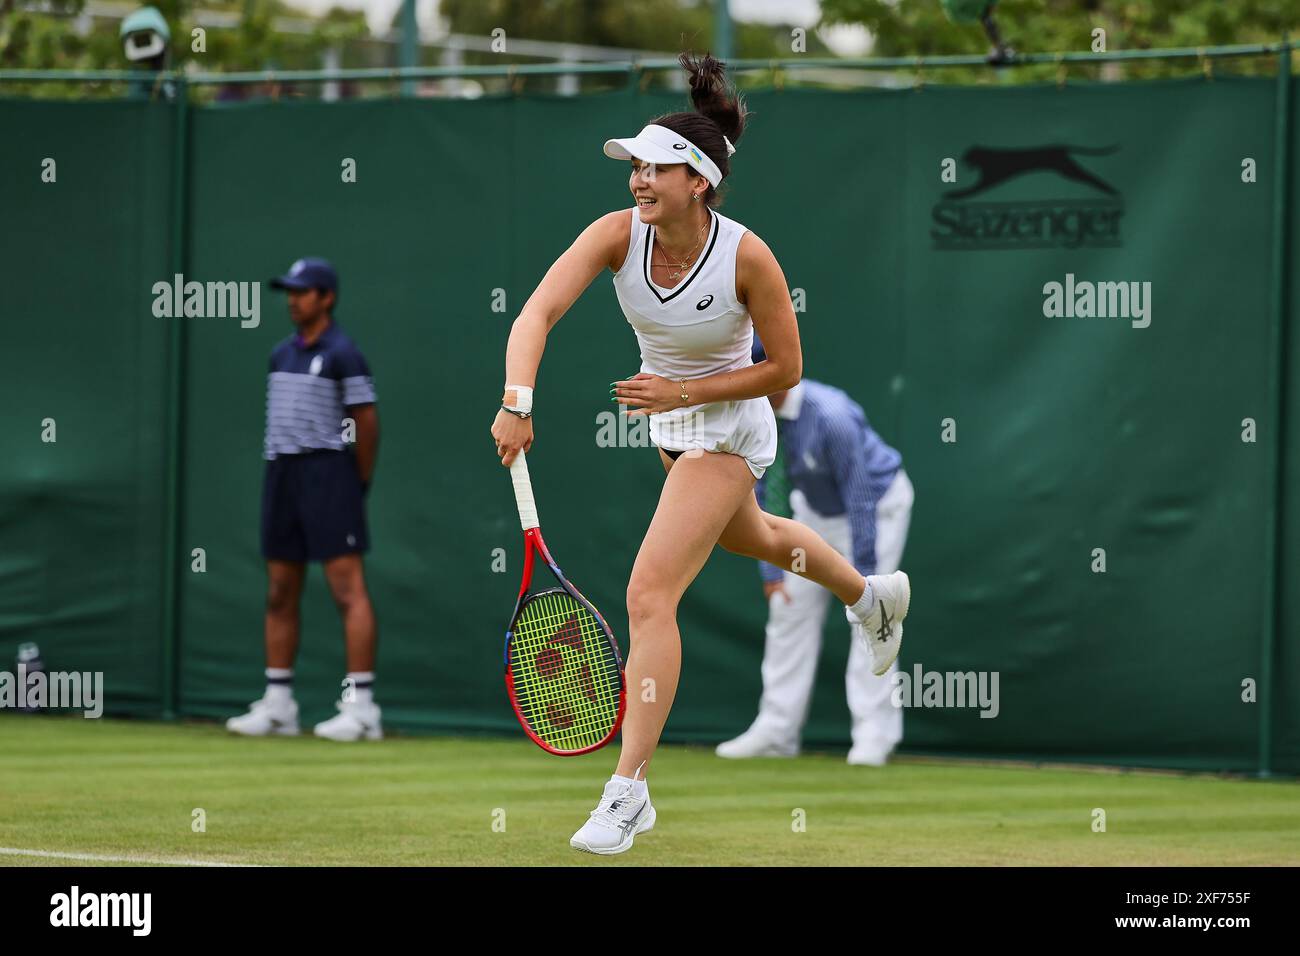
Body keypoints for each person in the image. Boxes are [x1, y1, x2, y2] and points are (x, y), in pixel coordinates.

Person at [490, 52, 912, 856]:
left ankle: (628, 792)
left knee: (649, 595)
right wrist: (518, 402)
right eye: (636, 168)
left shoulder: (747, 256)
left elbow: (786, 370)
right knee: (756, 536)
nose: (639, 181)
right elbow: (536, 314)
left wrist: (684, 393)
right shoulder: (616, 237)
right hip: (672, 431)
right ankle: (870, 597)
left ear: (700, 181)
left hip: (729, 427)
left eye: (657, 168)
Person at [716, 338, 913, 766]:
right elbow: (763, 491)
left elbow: (860, 497)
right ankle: (777, 730)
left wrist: (866, 581)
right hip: (812, 511)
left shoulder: (831, 416)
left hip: (877, 507)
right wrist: (772, 574)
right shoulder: (755, 416)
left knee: (869, 614)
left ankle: (873, 734)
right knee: (788, 609)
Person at [226, 257, 383, 742]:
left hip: (329, 474)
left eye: (303, 291)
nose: (293, 299)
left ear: (326, 297)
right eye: (289, 291)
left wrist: (354, 481)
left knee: (346, 590)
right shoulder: (280, 353)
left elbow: (366, 423)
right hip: (282, 475)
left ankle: (362, 710)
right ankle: (279, 705)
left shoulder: (343, 353)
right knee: (279, 590)